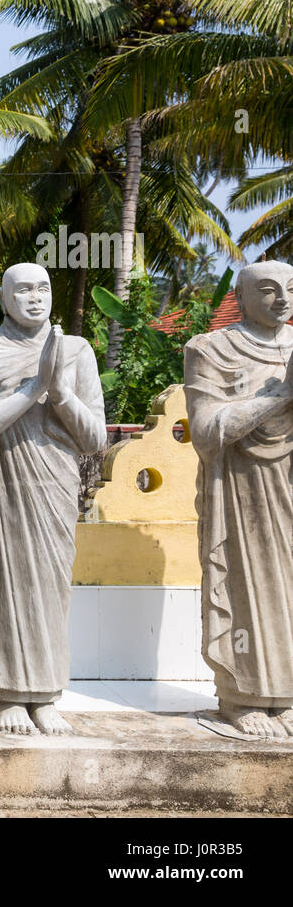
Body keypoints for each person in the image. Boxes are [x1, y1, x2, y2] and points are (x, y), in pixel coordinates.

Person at [0, 262, 104, 735]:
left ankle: (46, 695)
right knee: (9, 586)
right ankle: (7, 694)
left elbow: (95, 437)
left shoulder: (75, 350)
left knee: (51, 590)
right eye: (22, 290)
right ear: (3, 298)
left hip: (55, 485)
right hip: (3, 487)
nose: (35, 297)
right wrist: (31, 390)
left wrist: (59, 393)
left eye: (43, 288)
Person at [185, 259, 293, 738]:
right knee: (251, 589)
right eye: (268, 290)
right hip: (241, 490)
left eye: (290, 288)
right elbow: (207, 432)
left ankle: (286, 697)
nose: (283, 299)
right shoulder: (211, 348)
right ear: (243, 298)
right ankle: (242, 696)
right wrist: (281, 396)